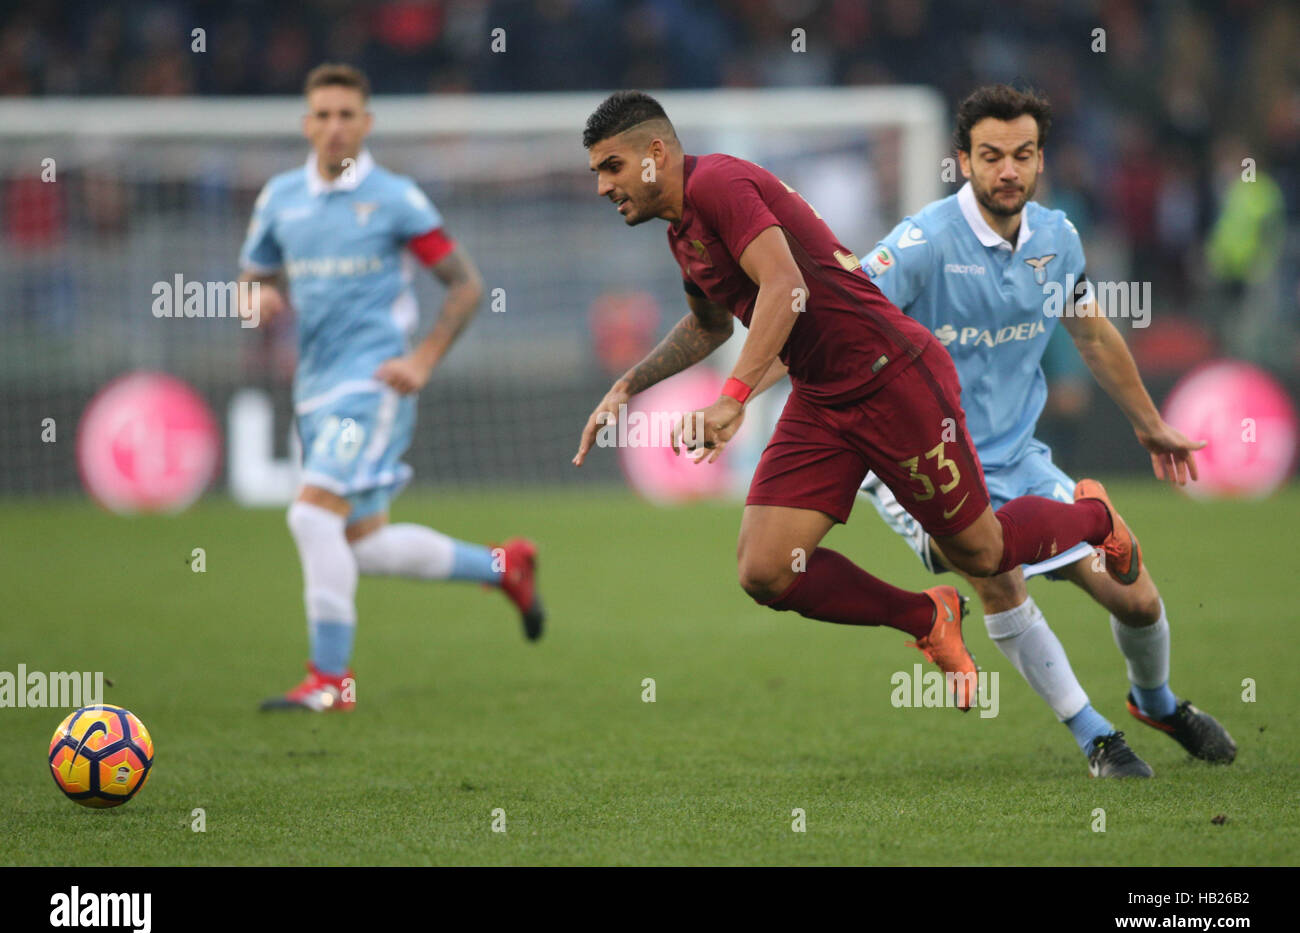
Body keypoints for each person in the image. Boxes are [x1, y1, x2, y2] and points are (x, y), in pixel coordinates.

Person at [573, 90, 1154, 716]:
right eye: (597, 172)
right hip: (822, 395)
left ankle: (1095, 520)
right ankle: (926, 615)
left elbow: (786, 287)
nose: (604, 186)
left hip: (891, 377)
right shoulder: (683, 233)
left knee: (983, 553)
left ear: (656, 152)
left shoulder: (720, 182)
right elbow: (708, 327)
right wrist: (628, 384)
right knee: (765, 570)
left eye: (612, 167)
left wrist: (733, 398)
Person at [239, 64, 543, 712]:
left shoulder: (397, 198)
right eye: (322, 114)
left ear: (367, 123)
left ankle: (329, 681)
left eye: (347, 114)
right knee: (363, 546)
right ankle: (503, 567)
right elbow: (252, 280)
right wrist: (256, 300)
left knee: (309, 513)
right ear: (306, 123)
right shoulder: (279, 200)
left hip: (372, 386)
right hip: (313, 392)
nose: (335, 126)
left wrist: (425, 359)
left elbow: (465, 283)